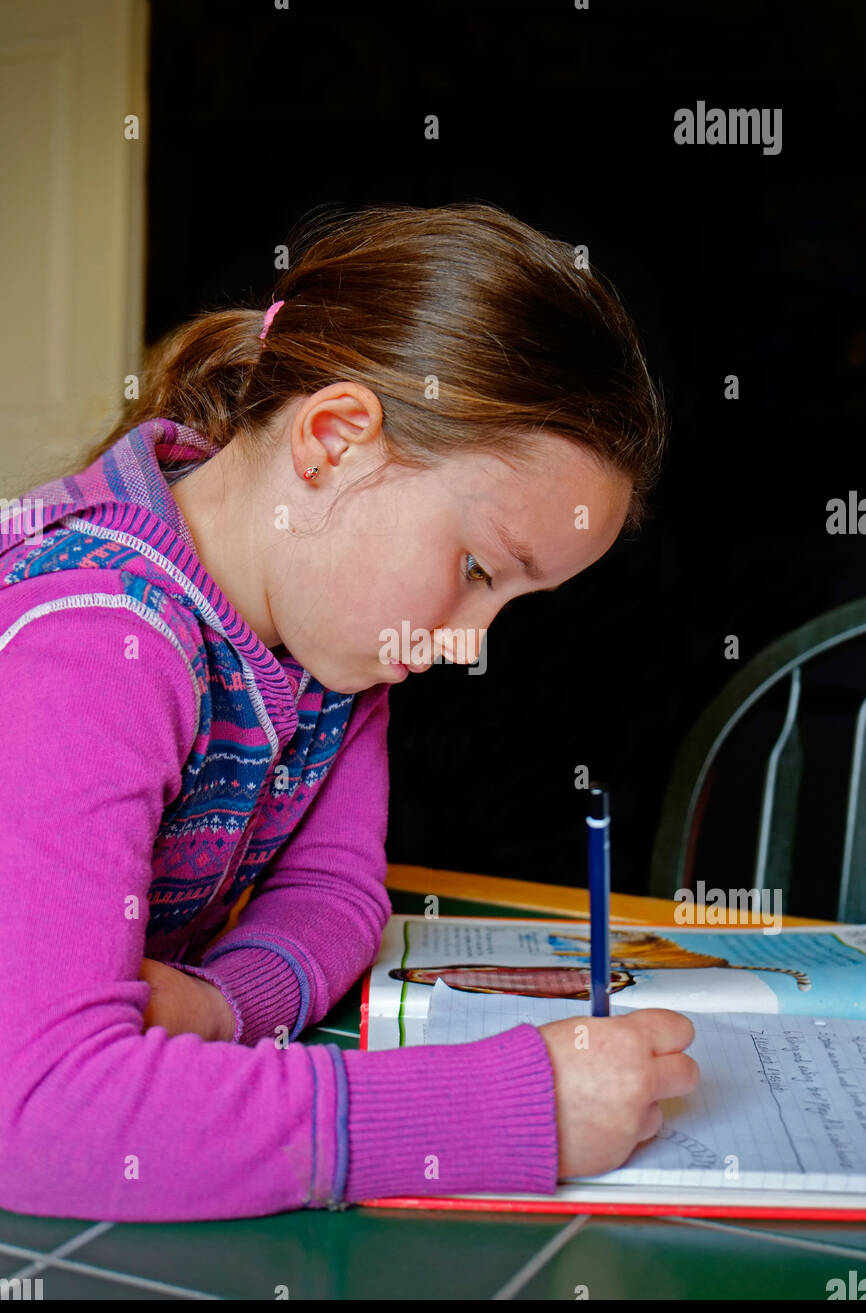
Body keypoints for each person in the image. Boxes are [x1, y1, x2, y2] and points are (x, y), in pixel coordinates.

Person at [0, 201, 698, 1221]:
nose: (466, 642)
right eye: (473, 569)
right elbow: (41, 1113)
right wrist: (514, 1110)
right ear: (331, 441)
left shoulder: (325, 643)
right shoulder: (90, 641)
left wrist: (223, 1002)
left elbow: (335, 895)